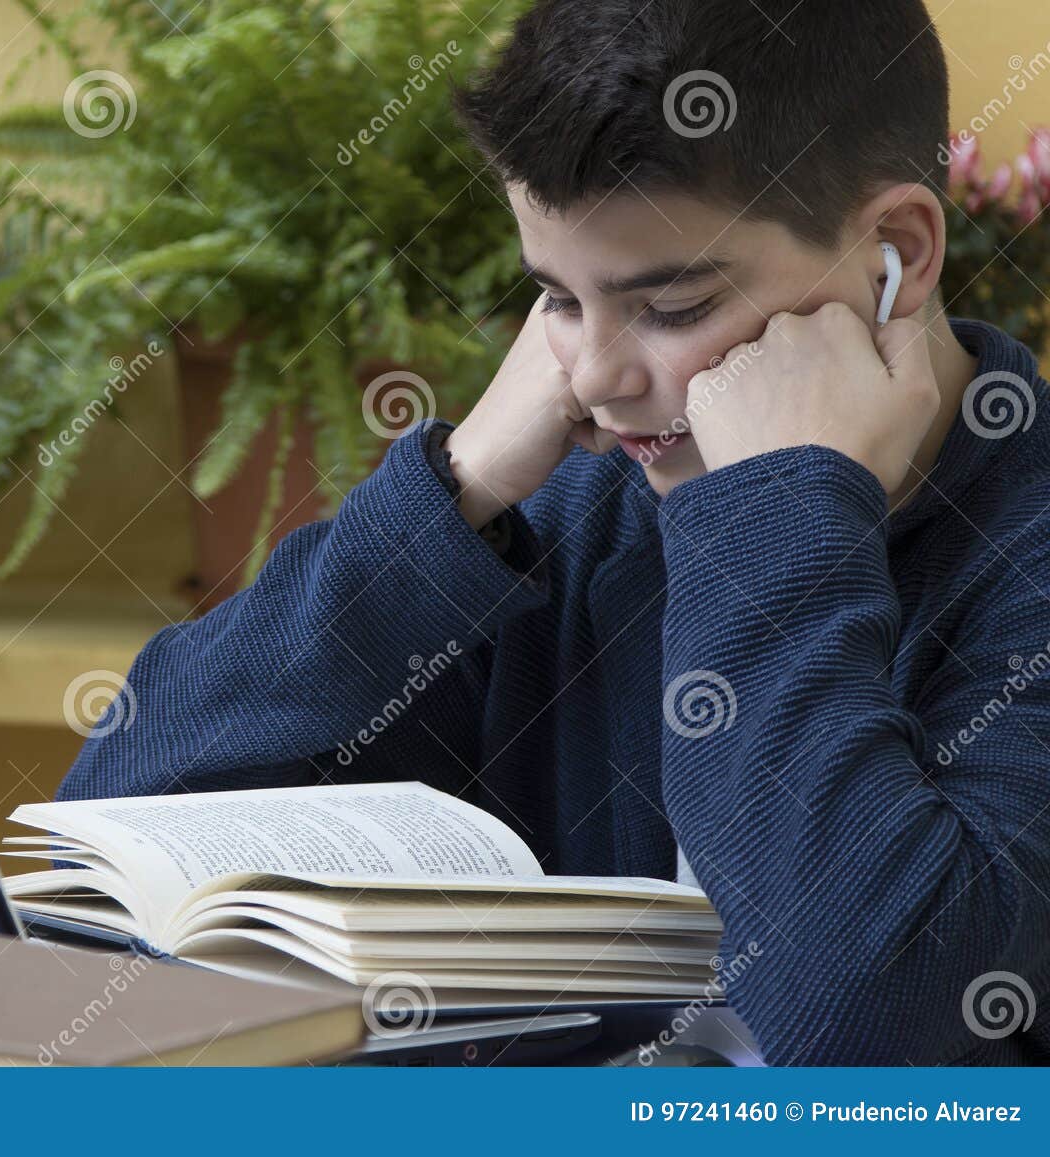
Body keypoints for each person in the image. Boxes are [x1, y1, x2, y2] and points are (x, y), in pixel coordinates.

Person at [56, 0, 1050, 1065]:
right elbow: (116, 815)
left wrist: (778, 516)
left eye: (671, 307)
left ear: (896, 251)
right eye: (559, 301)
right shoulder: (573, 511)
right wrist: (456, 491)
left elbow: (873, 1022)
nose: (597, 378)